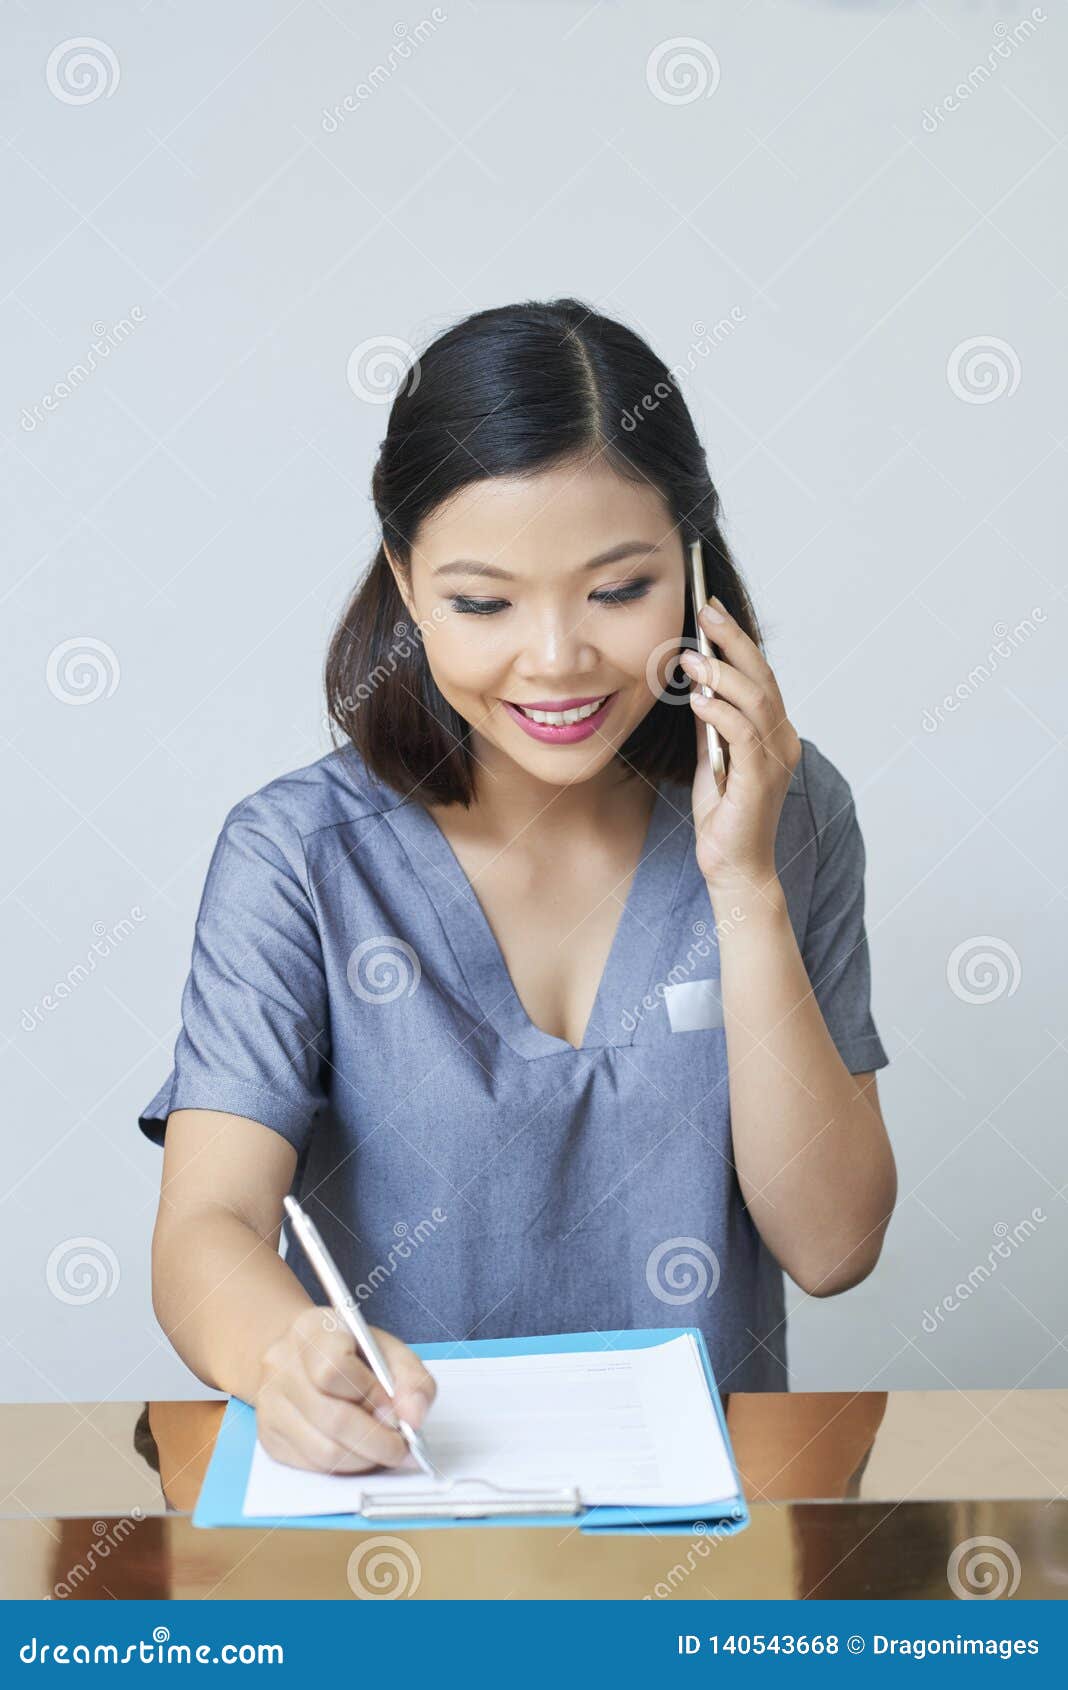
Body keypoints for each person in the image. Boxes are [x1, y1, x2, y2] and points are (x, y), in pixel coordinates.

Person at [141, 297, 896, 1476]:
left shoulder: (788, 810)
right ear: (404, 578)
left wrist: (743, 886)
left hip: (699, 1563)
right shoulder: (298, 854)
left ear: (695, 565)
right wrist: (282, 1349)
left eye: (616, 590)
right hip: (398, 1527)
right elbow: (207, 1228)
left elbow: (834, 1242)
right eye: (482, 602)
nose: (555, 659)